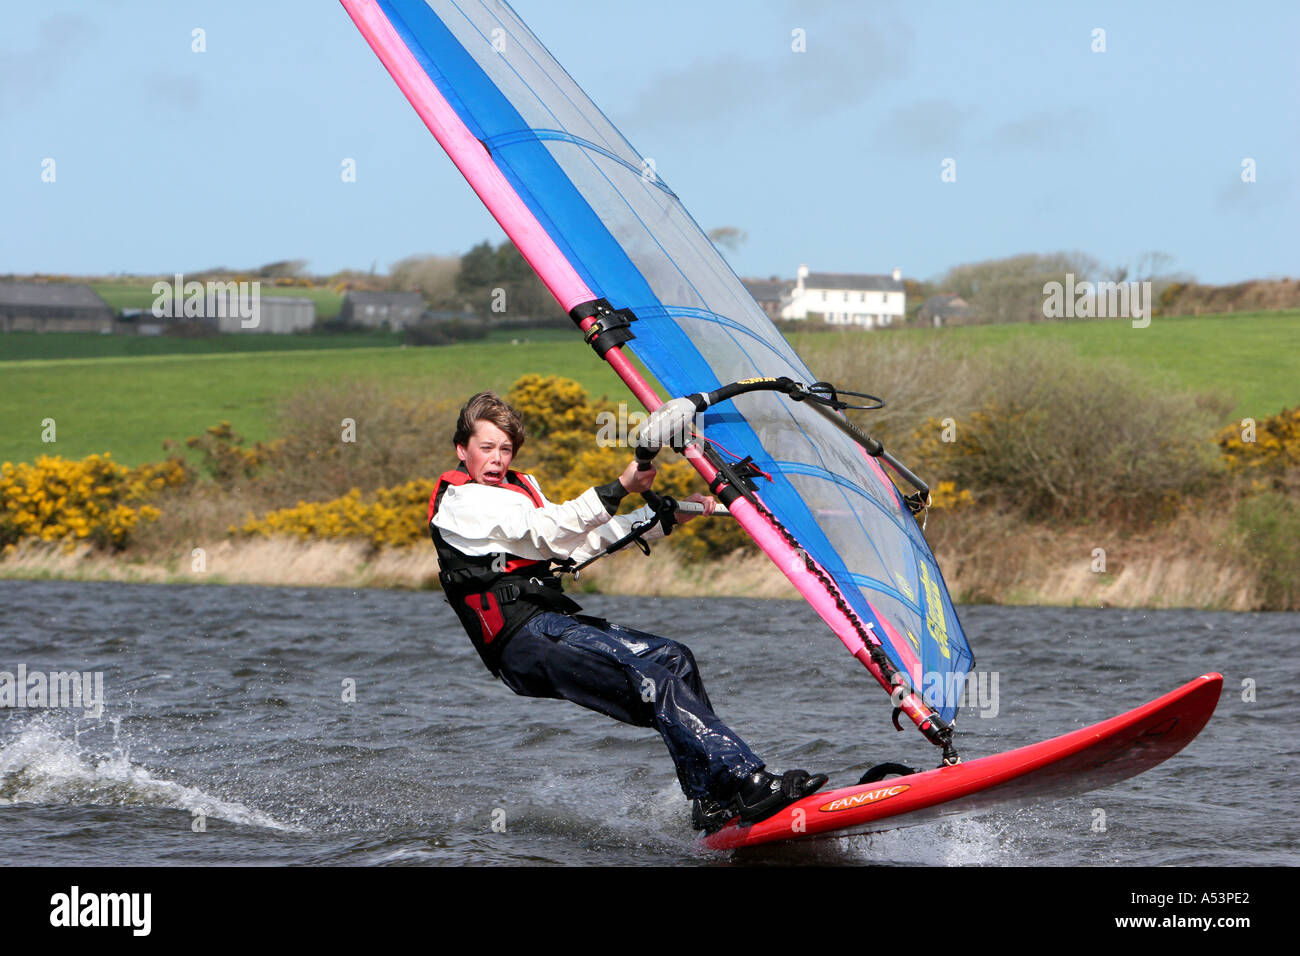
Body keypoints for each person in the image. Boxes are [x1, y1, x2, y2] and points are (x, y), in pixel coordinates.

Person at [429, 391, 827, 833]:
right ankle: (746, 781)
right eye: (486, 448)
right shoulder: (461, 503)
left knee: (673, 658)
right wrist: (618, 488)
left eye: (505, 449)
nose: (497, 460)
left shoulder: (519, 491)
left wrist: (681, 511)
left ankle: (711, 800)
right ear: (462, 450)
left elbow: (582, 544)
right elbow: (547, 534)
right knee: (652, 682)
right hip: (520, 641)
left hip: (550, 625)